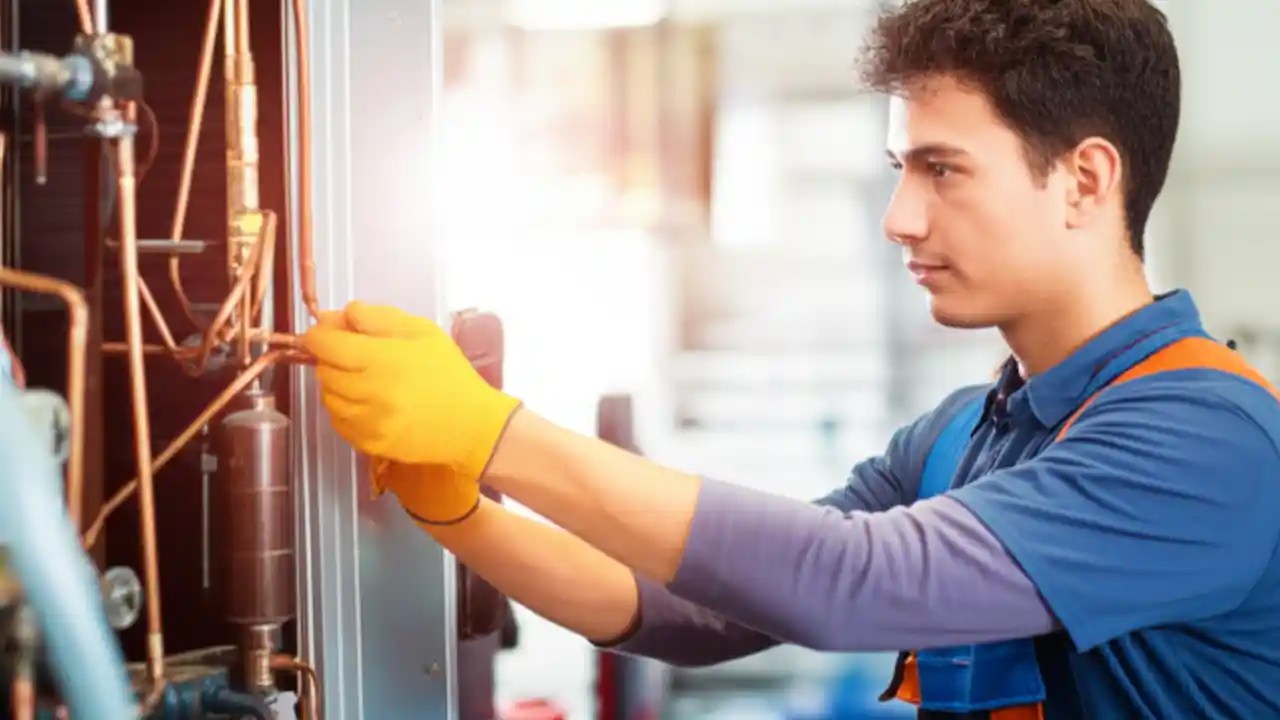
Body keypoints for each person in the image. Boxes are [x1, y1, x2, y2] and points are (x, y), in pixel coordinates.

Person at [301, 0, 1280, 717]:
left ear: (1084, 180)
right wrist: (461, 511)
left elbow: (851, 582)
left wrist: (496, 435)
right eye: (899, 169)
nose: (900, 218)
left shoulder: (1207, 441)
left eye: (942, 169)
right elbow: (693, 611)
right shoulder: (960, 438)